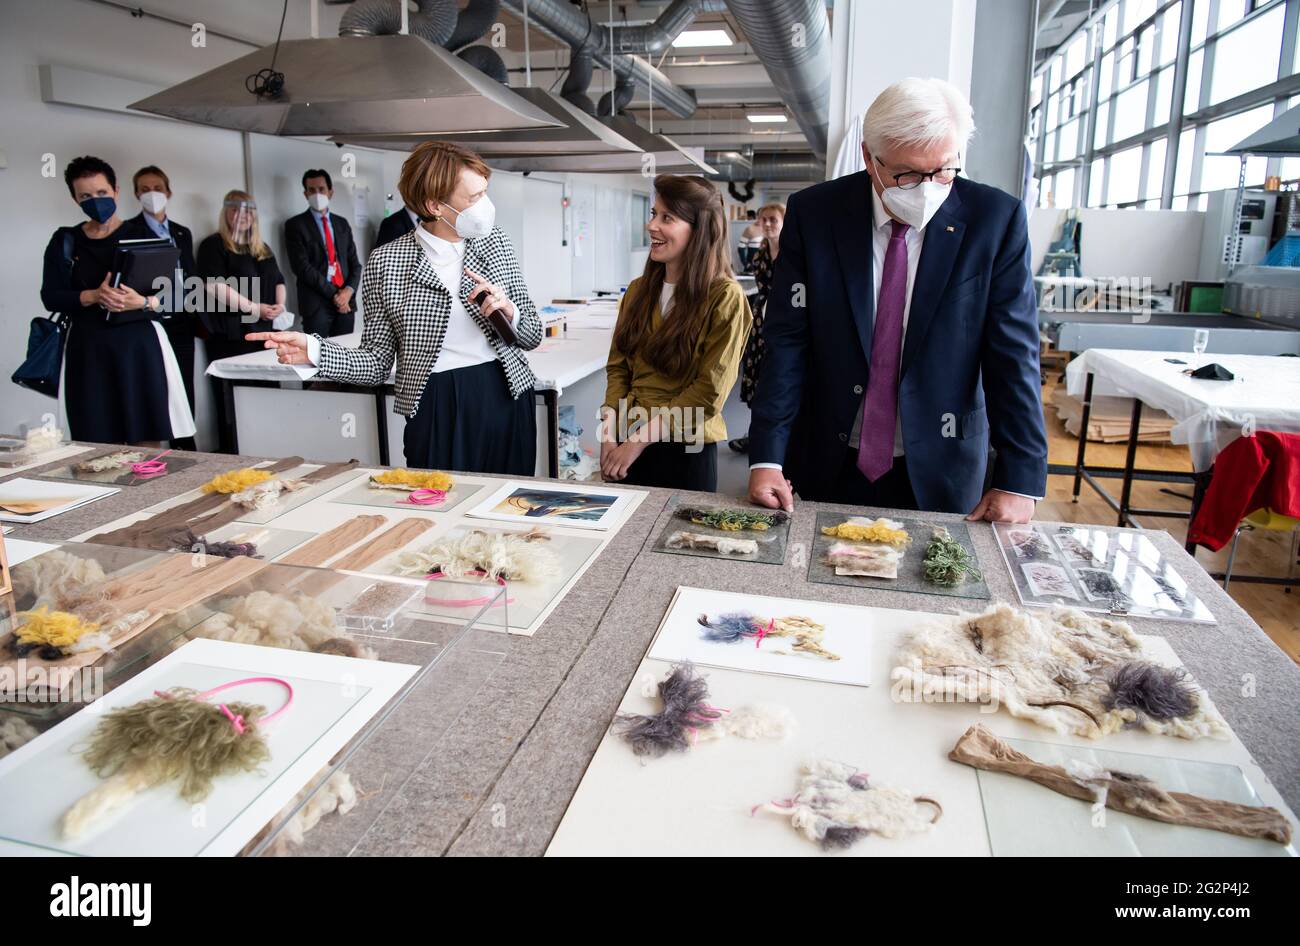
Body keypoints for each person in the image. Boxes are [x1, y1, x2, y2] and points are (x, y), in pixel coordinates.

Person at [748, 77, 1047, 522]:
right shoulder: (816, 215)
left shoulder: (995, 221)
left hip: (943, 464)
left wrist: (1020, 478)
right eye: (906, 174)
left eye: (944, 170)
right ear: (870, 157)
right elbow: (787, 342)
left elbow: (1014, 354)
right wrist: (767, 455)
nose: (926, 188)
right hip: (827, 455)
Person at [248, 141, 542, 475]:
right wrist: (316, 351)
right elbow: (375, 363)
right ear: (435, 205)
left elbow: (531, 335)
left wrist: (509, 311)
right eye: (474, 198)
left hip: (507, 394)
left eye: (485, 192)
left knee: (509, 512)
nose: (486, 205)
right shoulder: (387, 263)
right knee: (439, 511)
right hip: (435, 407)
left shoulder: (496, 243)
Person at [600, 175, 751, 491]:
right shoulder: (639, 291)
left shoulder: (724, 297)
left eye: (666, 217)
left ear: (698, 230)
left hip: (686, 449)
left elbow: (709, 392)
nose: (652, 225)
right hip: (627, 443)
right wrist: (609, 435)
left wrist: (637, 441)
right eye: (653, 213)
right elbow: (618, 369)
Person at [40, 156, 196, 447]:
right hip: (88, 350)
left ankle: (149, 492)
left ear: (116, 191)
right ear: (75, 199)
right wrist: (93, 296)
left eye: (101, 193)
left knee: (146, 437)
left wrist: (144, 301)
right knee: (94, 439)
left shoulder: (145, 235)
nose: (95, 201)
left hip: (139, 347)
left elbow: (179, 294)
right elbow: (51, 296)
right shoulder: (65, 241)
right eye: (85, 196)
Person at [128, 165, 198, 450]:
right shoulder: (131, 230)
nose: (152, 194)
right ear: (135, 194)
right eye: (144, 189)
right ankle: (158, 448)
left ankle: (187, 446)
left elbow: (191, 274)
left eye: (157, 188)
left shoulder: (182, 232)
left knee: (185, 385)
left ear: (168, 192)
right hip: (150, 320)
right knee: (156, 386)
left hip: (182, 318)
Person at [196, 190, 287, 363]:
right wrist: (254, 308)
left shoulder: (263, 248)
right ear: (225, 213)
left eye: (246, 210)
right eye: (234, 209)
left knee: (269, 385)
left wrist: (280, 306)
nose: (241, 215)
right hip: (232, 334)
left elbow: (279, 281)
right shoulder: (213, 245)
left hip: (266, 331)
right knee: (238, 387)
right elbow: (214, 286)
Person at [729, 201, 785, 454]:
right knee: (756, 378)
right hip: (760, 323)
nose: (768, 224)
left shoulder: (793, 253)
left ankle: (775, 441)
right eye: (764, 219)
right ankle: (755, 435)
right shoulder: (761, 251)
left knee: (778, 380)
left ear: (784, 221)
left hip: (784, 325)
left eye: (773, 219)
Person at [285, 169, 361, 337]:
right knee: (316, 355)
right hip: (316, 303)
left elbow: (355, 264)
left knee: (345, 354)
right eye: (311, 190)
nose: (317, 194)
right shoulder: (295, 225)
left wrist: (348, 291)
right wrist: (335, 295)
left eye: (321, 189)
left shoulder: (342, 223)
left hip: (345, 302)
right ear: (305, 194)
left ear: (330, 192)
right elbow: (301, 267)